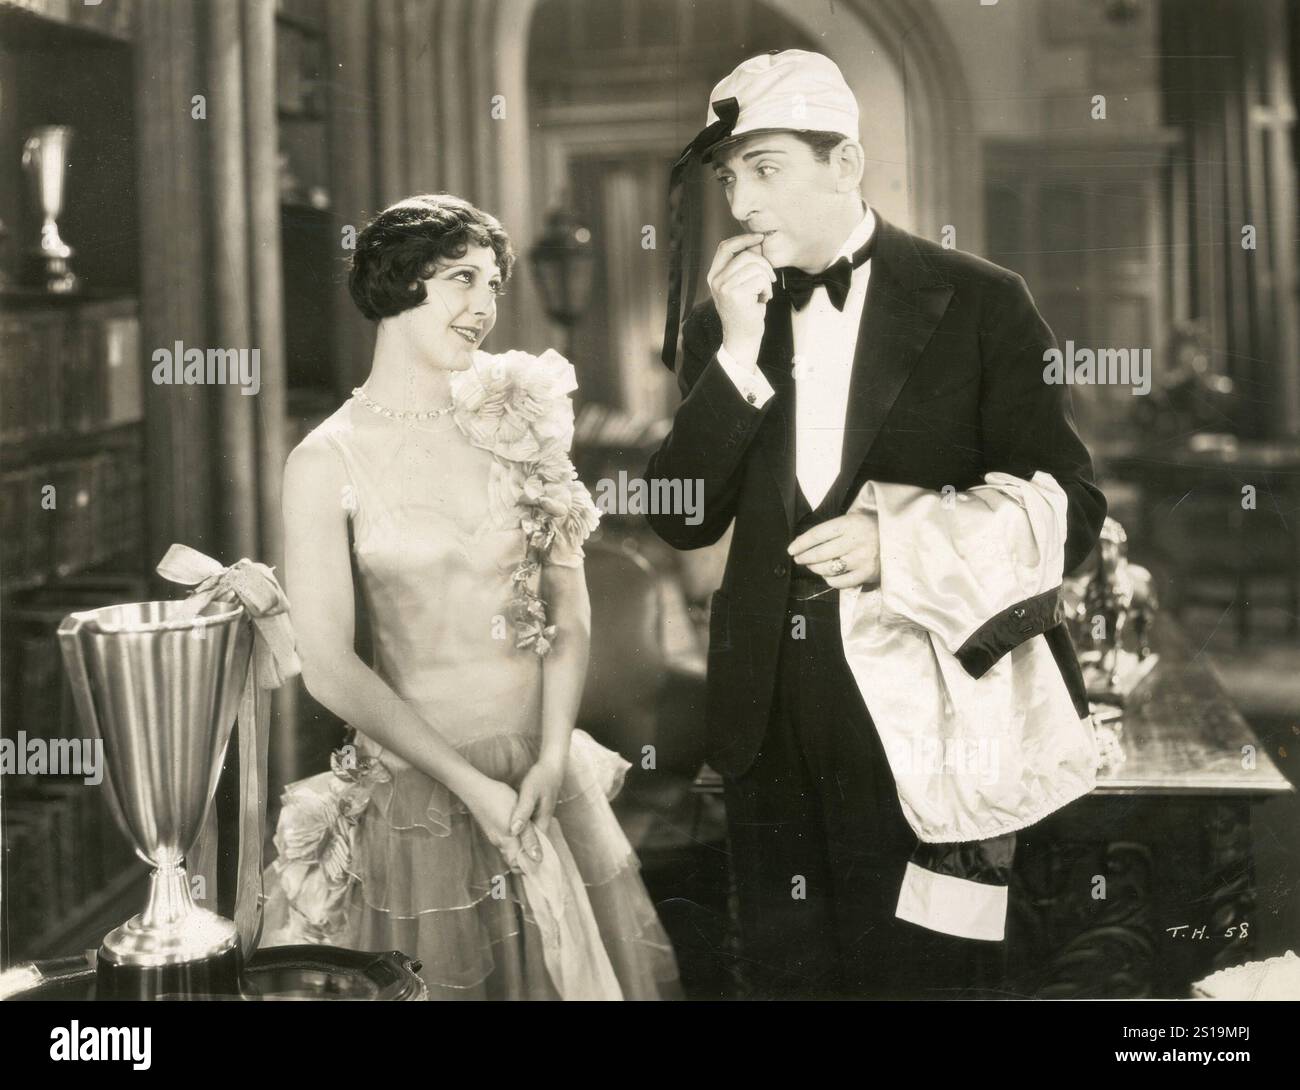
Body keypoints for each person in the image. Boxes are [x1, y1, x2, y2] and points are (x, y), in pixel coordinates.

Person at [646, 50, 1107, 1000]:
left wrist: (896, 540)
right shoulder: (719, 323)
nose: (742, 203)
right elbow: (681, 520)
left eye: (766, 169)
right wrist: (736, 359)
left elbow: (1072, 505)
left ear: (846, 164)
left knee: (933, 969)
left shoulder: (981, 300)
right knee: (784, 973)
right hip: (764, 708)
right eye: (730, 178)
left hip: (931, 705)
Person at [260, 193, 680, 1000]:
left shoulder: (516, 417)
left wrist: (554, 755)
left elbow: (569, 603)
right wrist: (470, 787)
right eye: (461, 279)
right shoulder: (325, 458)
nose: (484, 306)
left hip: (541, 774)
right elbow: (330, 668)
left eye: (492, 284)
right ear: (397, 282)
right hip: (420, 793)